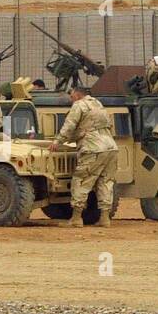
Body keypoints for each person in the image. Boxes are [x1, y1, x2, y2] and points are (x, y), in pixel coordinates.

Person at [48, 85, 118, 227]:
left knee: (81, 180)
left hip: (93, 148)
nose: (71, 99)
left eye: (72, 96)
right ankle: (105, 218)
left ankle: (76, 218)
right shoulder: (97, 104)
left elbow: (69, 125)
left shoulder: (79, 105)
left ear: (78, 95)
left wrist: (58, 141)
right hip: (110, 147)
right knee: (105, 182)